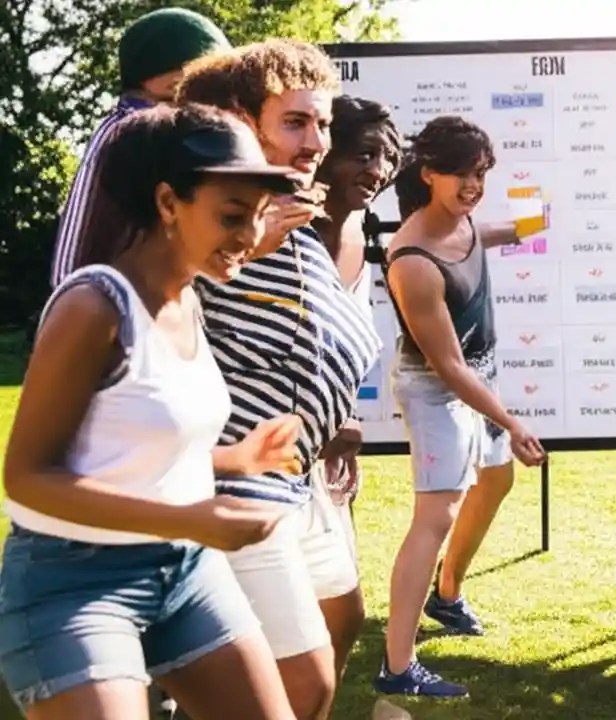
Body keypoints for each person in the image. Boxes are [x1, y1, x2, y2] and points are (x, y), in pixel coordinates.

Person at [0, 103, 301, 719]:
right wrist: (190, 517)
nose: (250, 237)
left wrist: (235, 460)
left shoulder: (187, 297)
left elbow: (128, 451)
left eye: (261, 216)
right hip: (72, 584)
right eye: (232, 216)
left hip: (184, 571)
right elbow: (25, 479)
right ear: (168, 203)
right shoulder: (95, 306)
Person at [175, 40, 380, 719]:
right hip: (237, 477)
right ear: (241, 116)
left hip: (302, 476)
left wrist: (334, 416)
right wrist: (244, 240)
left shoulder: (295, 214)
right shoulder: (215, 209)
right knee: (305, 679)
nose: (318, 139)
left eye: (322, 123)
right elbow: (155, 293)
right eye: (296, 122)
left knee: (343, 615)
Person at [375, 116, 546, 697]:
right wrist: (512, 421)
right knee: (435, 517)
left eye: (480, 174)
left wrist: (527, 224)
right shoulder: (412, 260)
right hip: (436, 389)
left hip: (479, 377)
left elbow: (481, 234)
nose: (473, 186)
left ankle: (446, 595)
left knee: (495, 482)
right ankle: (398, 668)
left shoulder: (462, 221)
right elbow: (448, 366)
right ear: (429, 175)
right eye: (461, 175)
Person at [50, 7, 230, 287]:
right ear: (175, 83)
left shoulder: (140, 128)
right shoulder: (139, 131)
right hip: (110, 311)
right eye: (209, 76)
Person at [312, 94, 405, 561]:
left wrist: (341, 428)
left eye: (388, 158)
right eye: (364, 154)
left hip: (332, 452)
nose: (377, 169)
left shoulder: (359, 232)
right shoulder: (283, 236)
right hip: (269, 458)